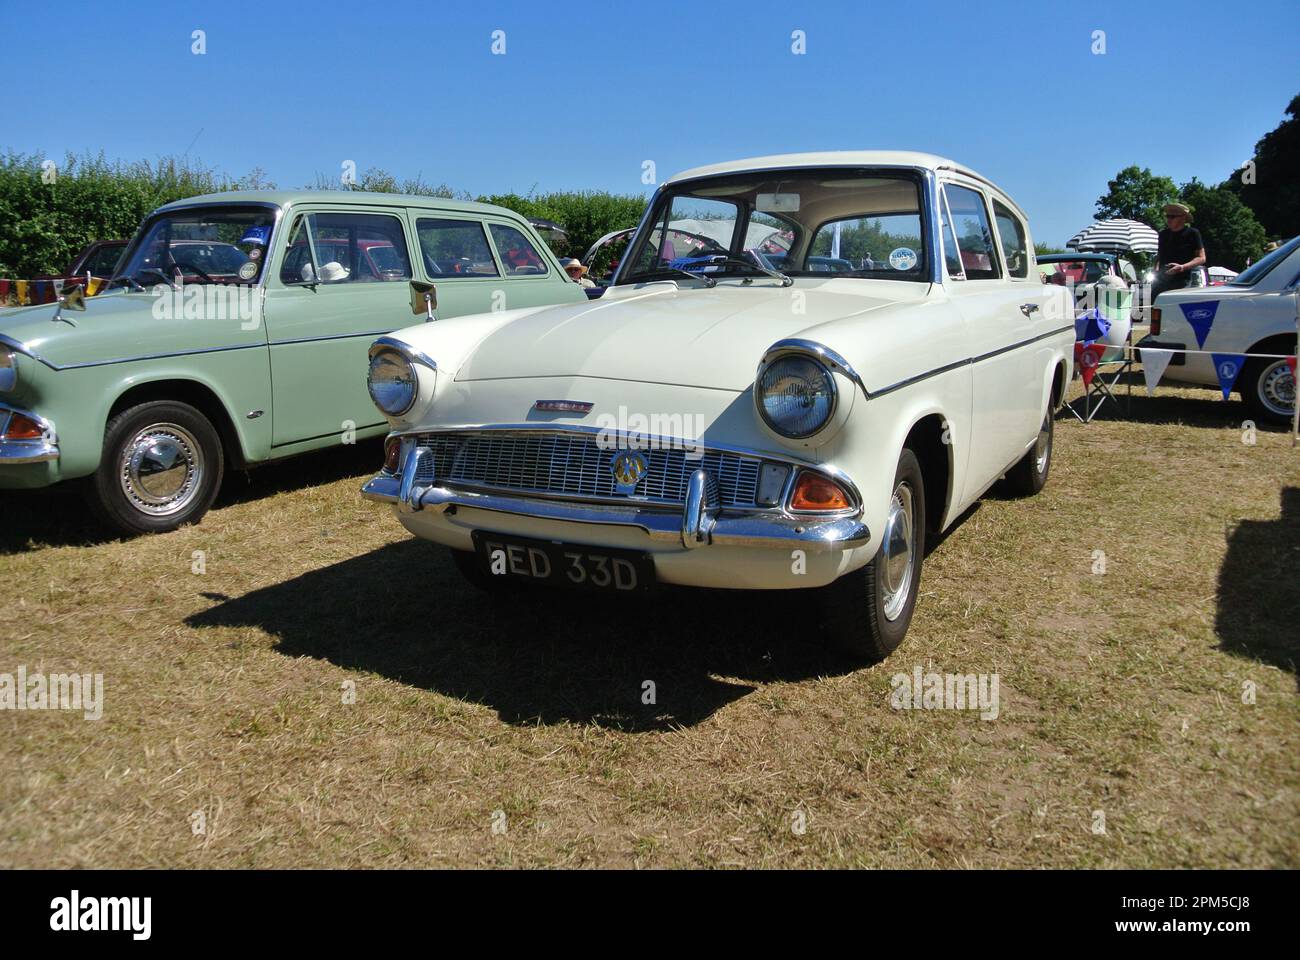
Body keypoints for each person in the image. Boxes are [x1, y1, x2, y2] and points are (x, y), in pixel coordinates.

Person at [1150, 202, 1206, 304]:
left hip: (1182, 282)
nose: (1169, 219)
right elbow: (1159, 256)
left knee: (1174, 310)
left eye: (1172, 217)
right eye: (1167, 216)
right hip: (1162, 281)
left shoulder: (1192, 233)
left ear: (1183, 218)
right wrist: (1156, 269)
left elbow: (1202, 258)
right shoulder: (1163, 234)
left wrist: (1182, 267)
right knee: (1151, 309)